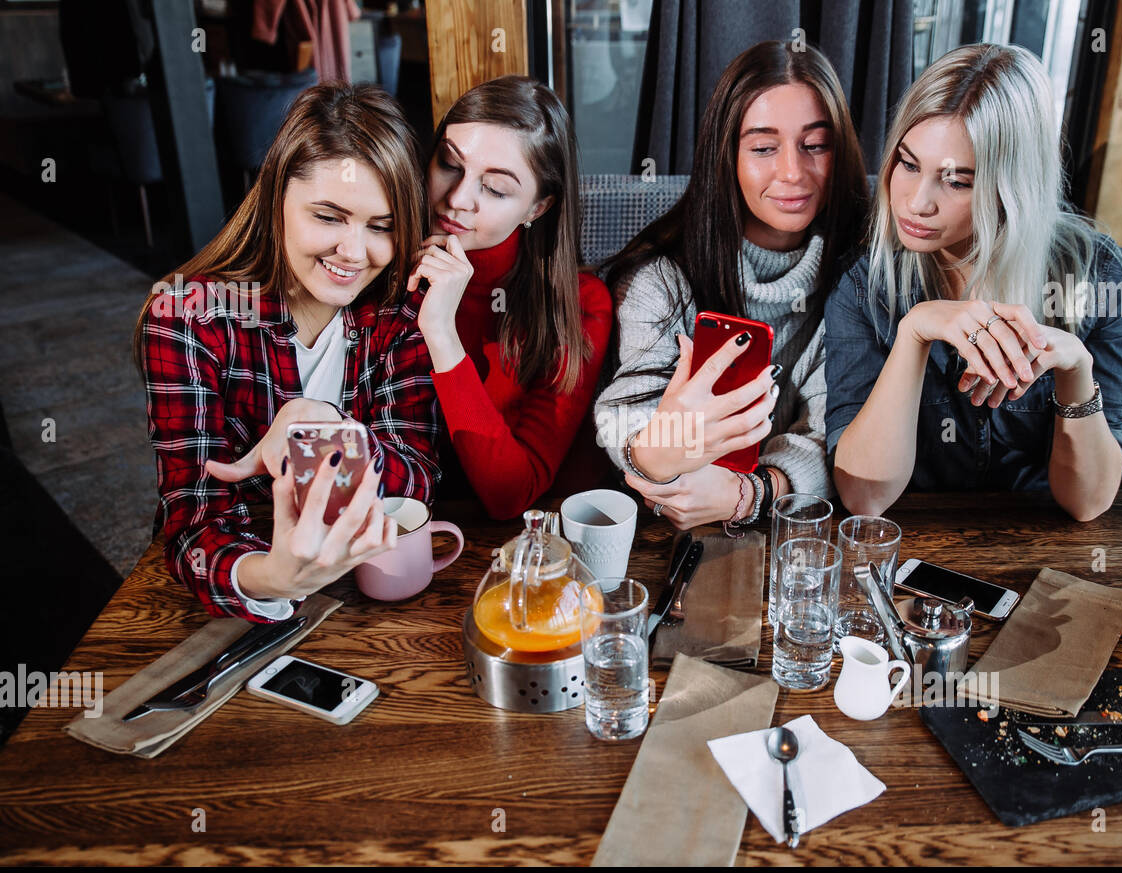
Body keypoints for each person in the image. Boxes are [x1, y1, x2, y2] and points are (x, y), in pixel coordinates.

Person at [136, 83, 439, 622]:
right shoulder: (188, 318)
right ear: (276, 198)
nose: (353, 252)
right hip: (247, 595)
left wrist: (324, 429)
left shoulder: (400, 313)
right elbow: (192, 521)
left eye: (381, 227)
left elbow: (417, 473)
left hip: (379, 596)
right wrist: (272, 578)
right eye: (328, 216)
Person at [825, 43, 1122, 521]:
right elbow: (865, 499)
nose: (916, 203)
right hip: (913, 548)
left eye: (957, 181)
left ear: (1013, 185)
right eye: (909, 165)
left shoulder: (1096, 275)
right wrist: (915, 331)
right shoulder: (867, 283)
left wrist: (1076, 369)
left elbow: (1088, 503)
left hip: (1044, 549)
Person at [594, 40, 869, 531]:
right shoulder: (660, 279)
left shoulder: (860, 275)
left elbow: (840, 436)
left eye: (815, 145)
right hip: (666, 535)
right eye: (764, 147)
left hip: (800, 533)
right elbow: (621, 421)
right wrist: (661, 452)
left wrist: (753, 492)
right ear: (727, 156)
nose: (792, 172)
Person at [407, 75, 613, 520]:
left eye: (496, 188)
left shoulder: (576, 304)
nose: (458, 198)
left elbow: (510, 495)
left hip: (520, 548)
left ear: (537, 208)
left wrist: (442, 333)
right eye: (449, 164)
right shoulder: (380, 262)